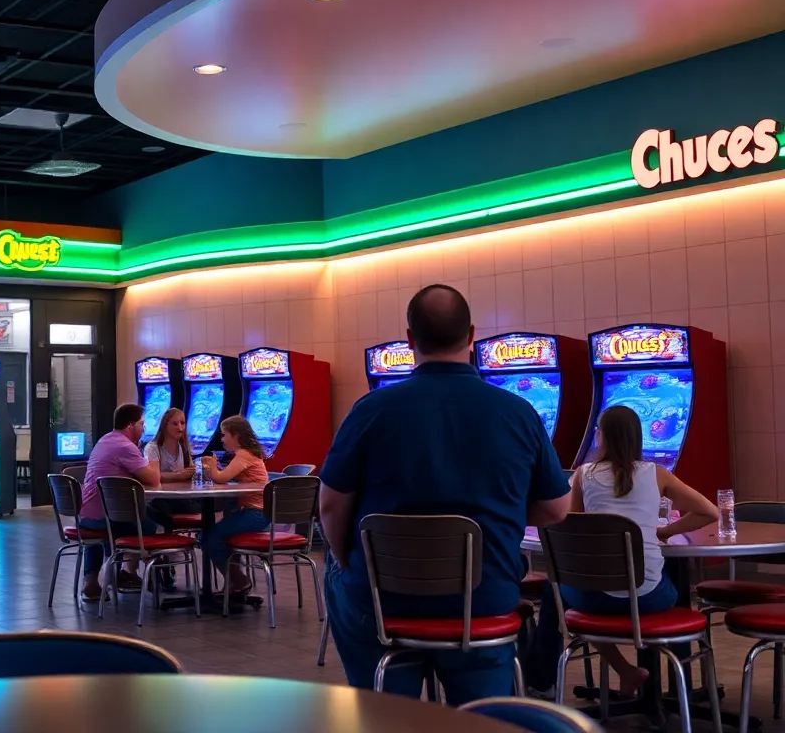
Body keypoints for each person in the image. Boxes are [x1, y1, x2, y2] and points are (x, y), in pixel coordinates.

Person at [319, 284, 571, 704]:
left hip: (386, 602)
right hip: (482, 602)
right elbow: (557, 509)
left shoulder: (370, 409)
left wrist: (348, 559)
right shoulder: (518, 412)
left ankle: (380, 708)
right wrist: (503, 510)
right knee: (478, 719)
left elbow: (330, 504)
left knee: (337, 572)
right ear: (471, 335)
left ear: (410, 341)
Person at [526, 405, 719, 696]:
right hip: (649, 598)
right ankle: (679, 681)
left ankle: (544, 683)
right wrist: (664, 532)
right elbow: (709, 511)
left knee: (557, 594)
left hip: (592, 595)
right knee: (674, 581)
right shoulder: (657, 473)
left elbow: (571, 526)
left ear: (600, 437)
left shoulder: (584, 474)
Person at [78, 403, 161, 602]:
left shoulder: (105, 440)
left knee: (139, 517)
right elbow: (153, 479)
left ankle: (92, 581)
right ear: (131, 425)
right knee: (151, 524)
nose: (144, 428)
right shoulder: (125, 446)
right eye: (142, 423)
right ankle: (127, 573)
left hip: (85, 514)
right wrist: (152, 456)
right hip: (107, 516)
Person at [202, 415, 272, 596]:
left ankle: (238, 580)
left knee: (212, 536)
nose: (222, 439)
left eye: (224, 435)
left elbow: (220, 478)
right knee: (210, 535)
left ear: (237, 436)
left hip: (256, 514)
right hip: (257, 511)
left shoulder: (244, 454)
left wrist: (211, 465)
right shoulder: (248, 454)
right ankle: (235, 582)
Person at [144, 408, 198, 591]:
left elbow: (187, 475)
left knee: (207, 507)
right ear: (164, 425)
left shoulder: (184, 448)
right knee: (160, 508)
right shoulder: (153, 448)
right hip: (159, 499)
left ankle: (167, 558)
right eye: (175, 423)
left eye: (182, 423)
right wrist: (179, 475)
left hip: (181, 499)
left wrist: (189, 474)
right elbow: (154, 476)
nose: (180, 427)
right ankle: (165, 559)